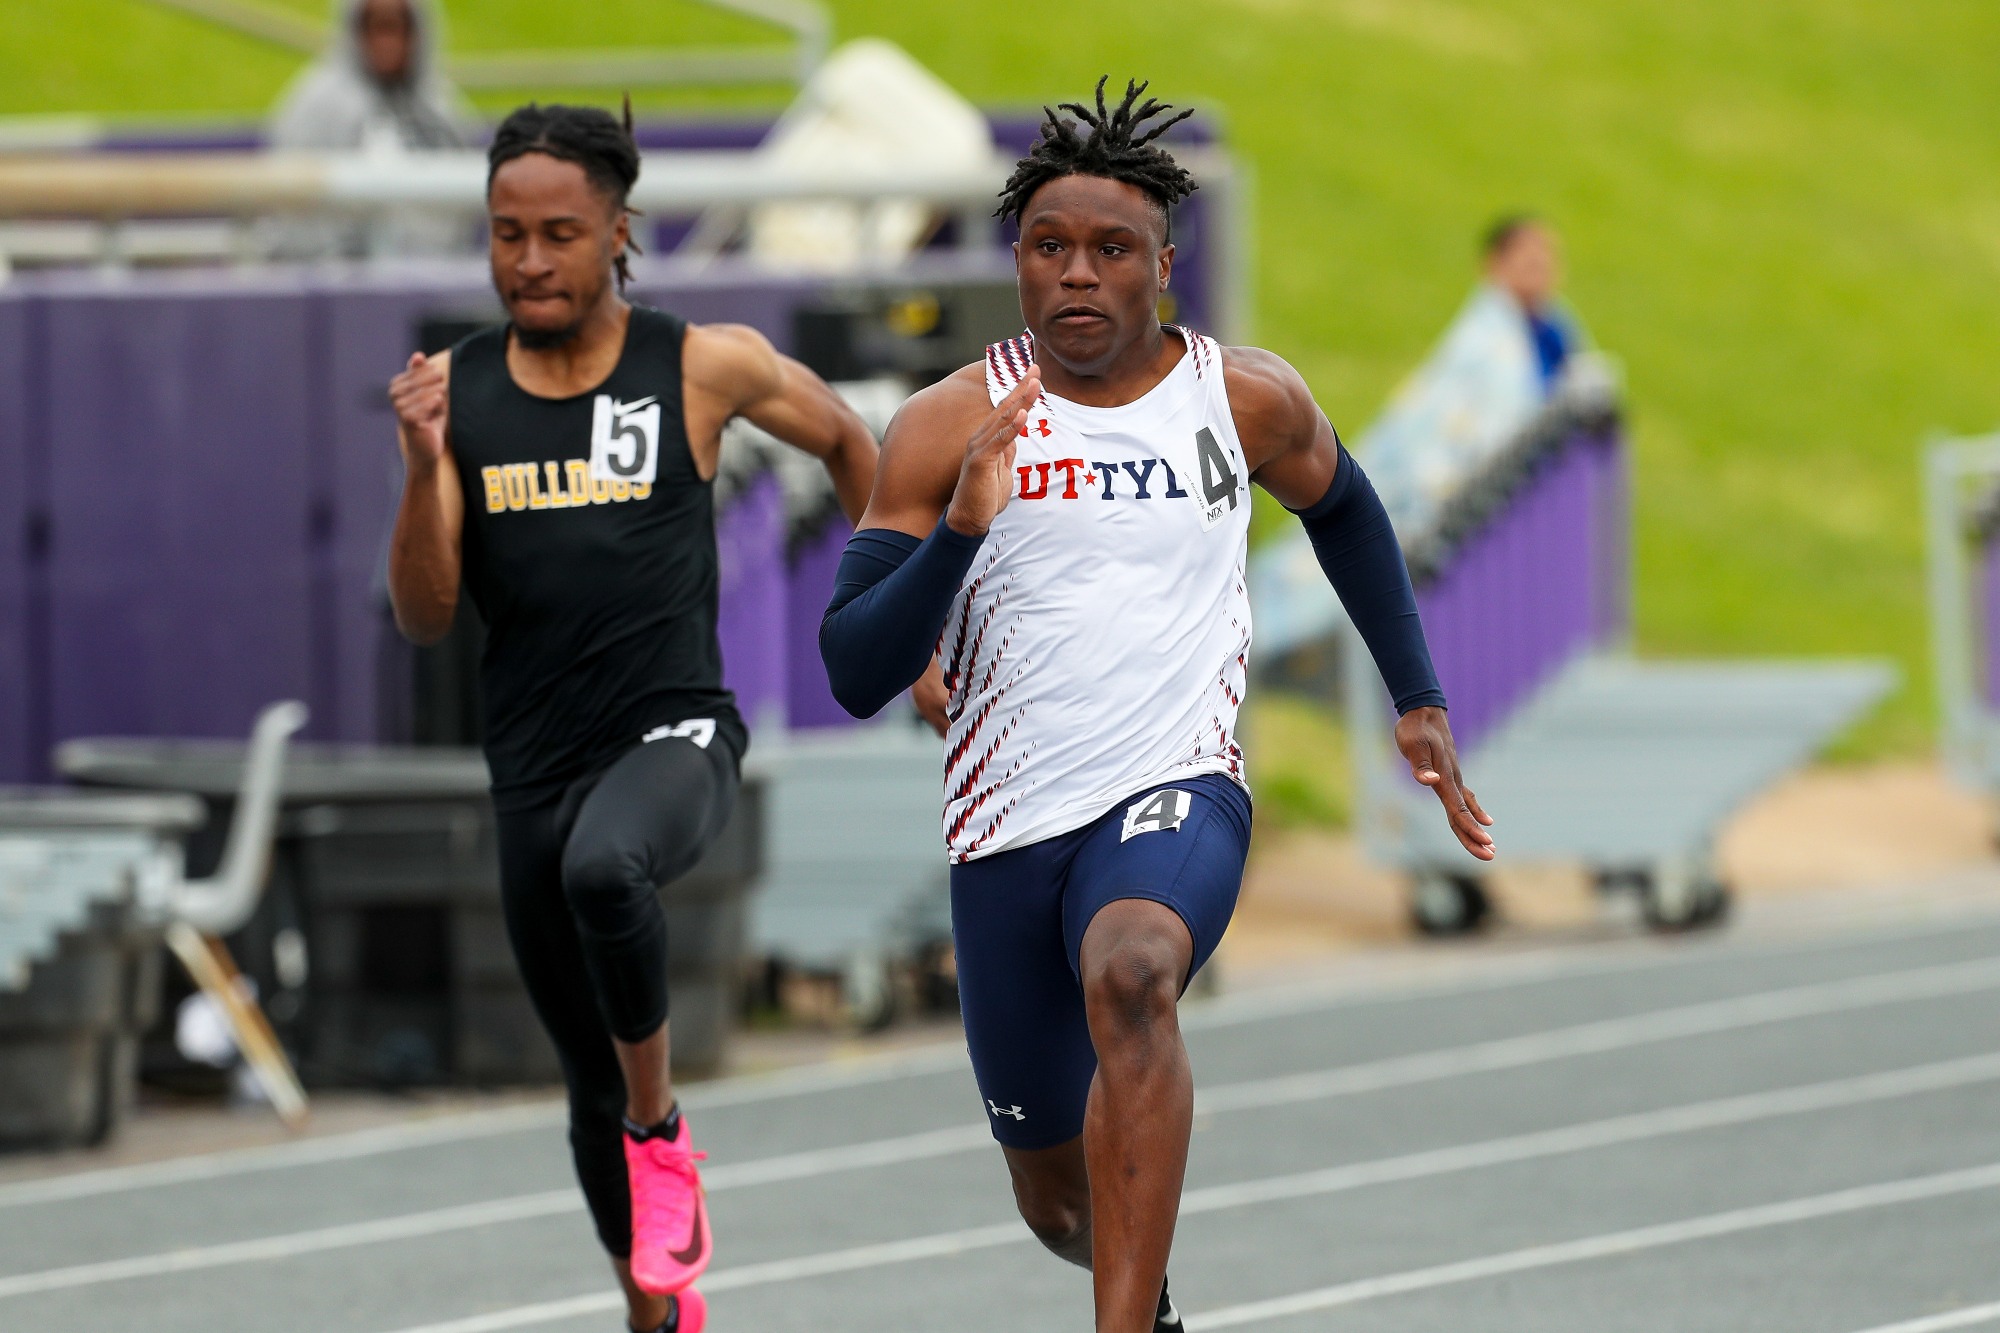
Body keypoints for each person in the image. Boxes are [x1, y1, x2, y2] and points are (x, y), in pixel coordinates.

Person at [819, 78, 1494, 1333]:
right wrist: (961, 527)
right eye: (1049, 249)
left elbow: (1342, 506)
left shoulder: (1241, 399)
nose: (1078, 275)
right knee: (1058, 1207)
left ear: (1163, 268)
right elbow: (855, 668)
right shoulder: (944, 427)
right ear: (1016, 265)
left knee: (1133, 972)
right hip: (1008, 829)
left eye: (1110, 250)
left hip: (1176, 787)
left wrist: (1416, 696)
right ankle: (1149, 1299)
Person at [386, 102, 880, 1333]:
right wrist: (417, 466)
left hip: (672, 733)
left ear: (620, 232)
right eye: (507, 235)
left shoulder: (699, 364)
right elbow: (426, 614)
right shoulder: (454, 393)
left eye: (560, 232)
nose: (531, 260)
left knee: (609, 872)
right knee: (582, 1078)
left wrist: (893, 619)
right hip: (530, 769)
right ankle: (651, 1313)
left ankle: (664, 1131)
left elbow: (848, 438)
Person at [268, 0, 469, 153]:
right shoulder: (316, 107)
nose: (387, 43)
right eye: (378, 27)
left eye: (396, 27)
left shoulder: (440, 103)